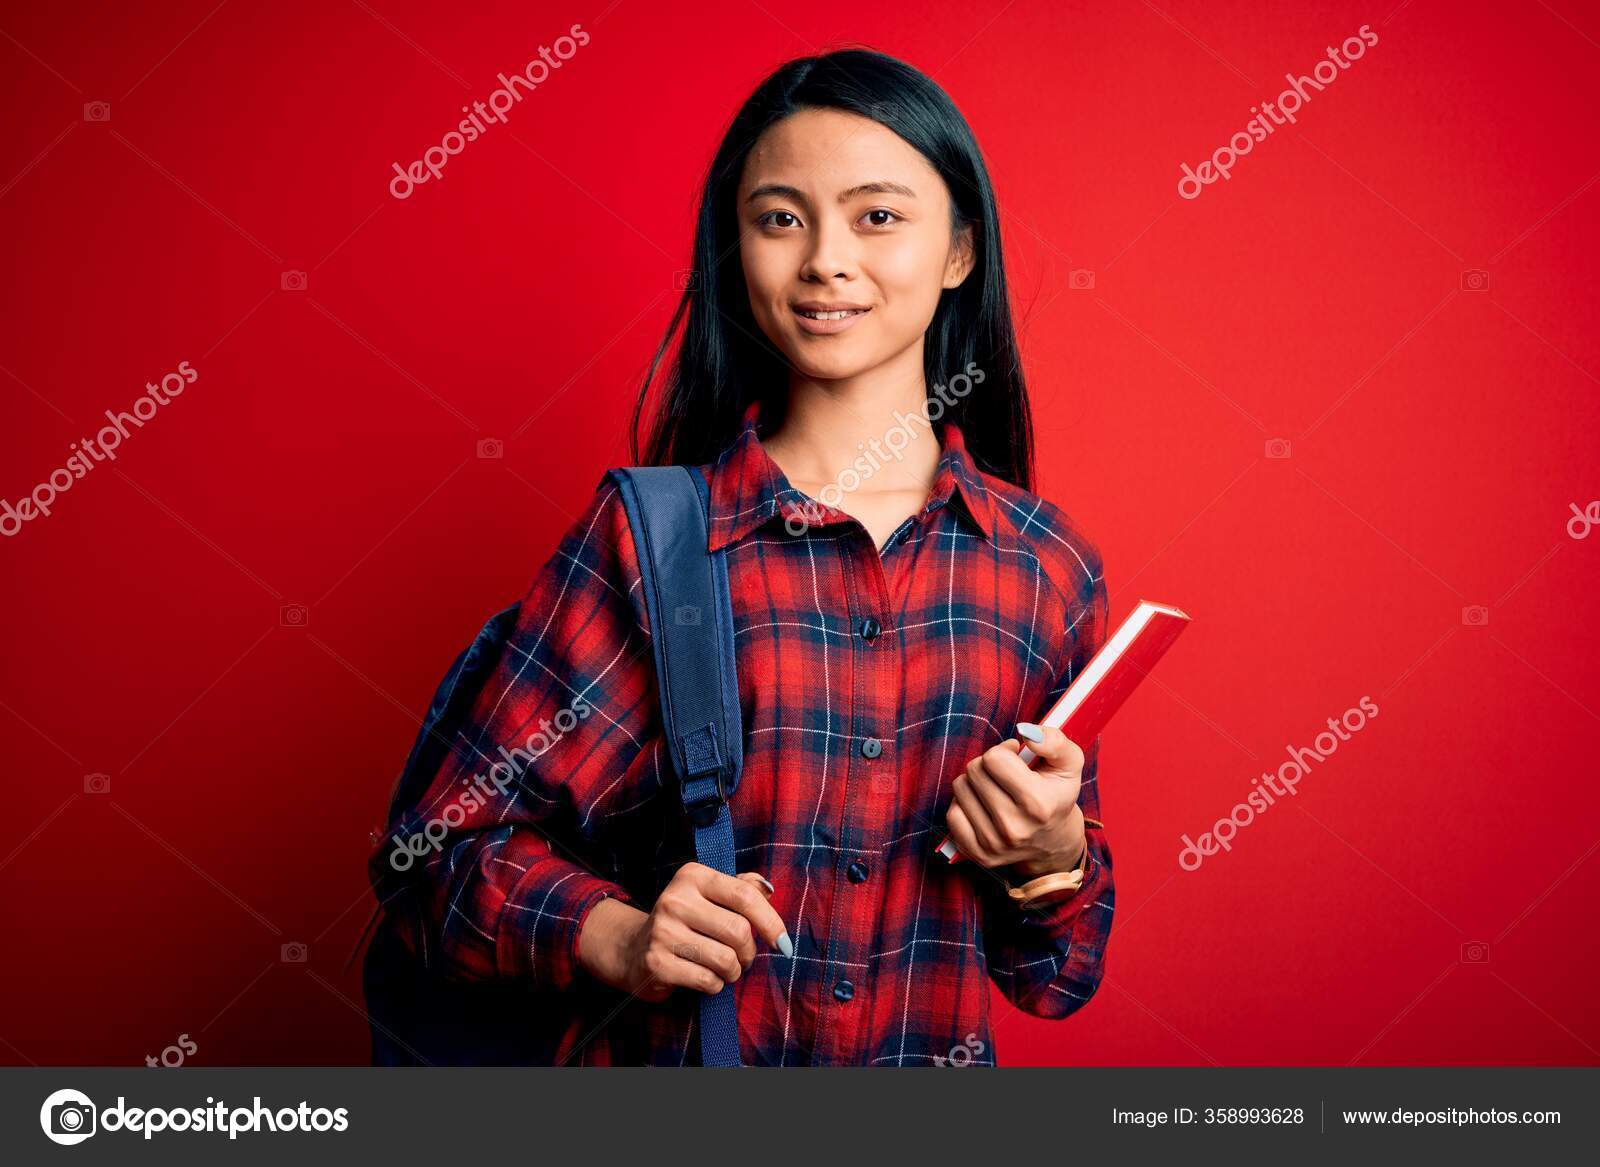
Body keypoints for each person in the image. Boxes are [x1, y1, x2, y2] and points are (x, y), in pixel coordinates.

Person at [367, 45, 1113, 1066]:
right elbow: (433, 862)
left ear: (959, 251)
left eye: (877, 215)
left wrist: (1049, 859)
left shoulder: (1041, 569)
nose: (824, 260)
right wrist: (620, 936)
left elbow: (1055, 976)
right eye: (779, 218)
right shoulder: (653, 542)